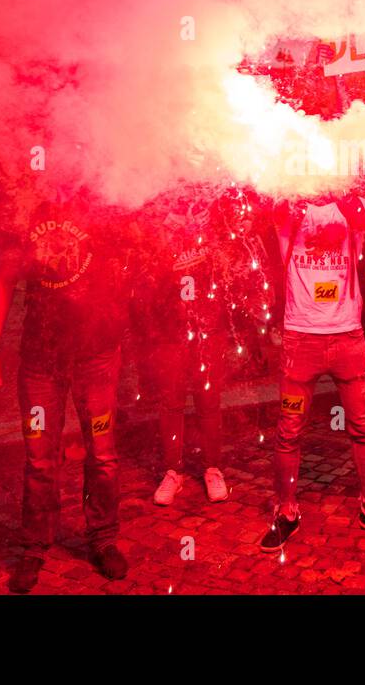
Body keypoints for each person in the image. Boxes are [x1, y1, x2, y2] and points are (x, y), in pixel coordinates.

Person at [0, 143, 129, 593]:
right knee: (40, 458)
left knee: (102, 455)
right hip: (40, 358)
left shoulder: (105, 207)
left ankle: (102, 539)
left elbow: (133, 263)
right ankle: (34, 546)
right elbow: (4, 280)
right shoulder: (26, 214)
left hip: (96, 355)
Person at [258, 193, 365, 552]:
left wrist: (335, 183)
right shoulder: (289, 205)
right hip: (300, 340)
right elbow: (276, 208)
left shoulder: (353, 204)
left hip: (347, 338)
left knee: (362, 426)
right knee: (289, 429)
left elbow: (360, 215)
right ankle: (286, 511)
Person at [147, 193, 233, 507]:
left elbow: (226, 262)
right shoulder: (158, 214)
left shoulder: (210, 207)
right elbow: (148, 276)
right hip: (170, 330)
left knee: (208, 400)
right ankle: (173, 471)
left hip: (208, 328)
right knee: (171, 401)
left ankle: (212, 468)